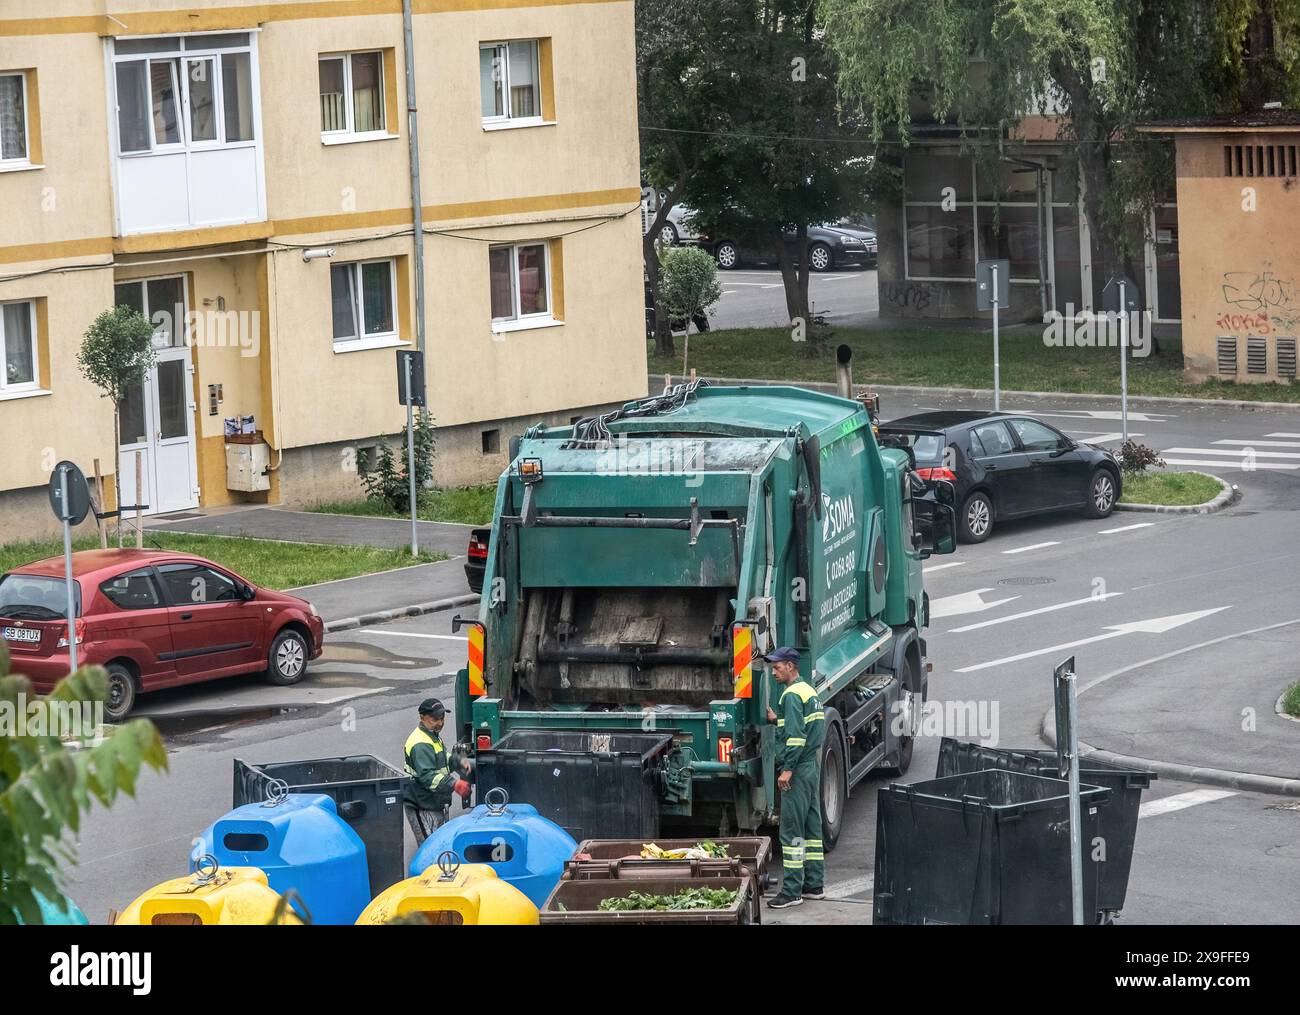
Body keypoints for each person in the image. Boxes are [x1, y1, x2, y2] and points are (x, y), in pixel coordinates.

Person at [763, 646, 825, 909]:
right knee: (811, 828)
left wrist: (787, 769)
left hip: (797, 770)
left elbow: (796, 737)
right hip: (810, 767)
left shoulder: (790, 695)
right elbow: (803, 726)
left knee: (791, 832)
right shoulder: (807, 691)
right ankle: (813, 885)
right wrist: (778, 719)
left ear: (790, 666)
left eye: (777, 667)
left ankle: (791, 891)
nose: (774, 672)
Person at [402, 698, 472, 847]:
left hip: (432, 802)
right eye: (435, 719)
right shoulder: (420, 743)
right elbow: (428, 775)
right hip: (421, 804)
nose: (440, 723)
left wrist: (458, 762)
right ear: (422, 717)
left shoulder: (432, 735)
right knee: (430, 849)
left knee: (440, 846)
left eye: (442, 718)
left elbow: (442, 759)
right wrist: (454, 784)